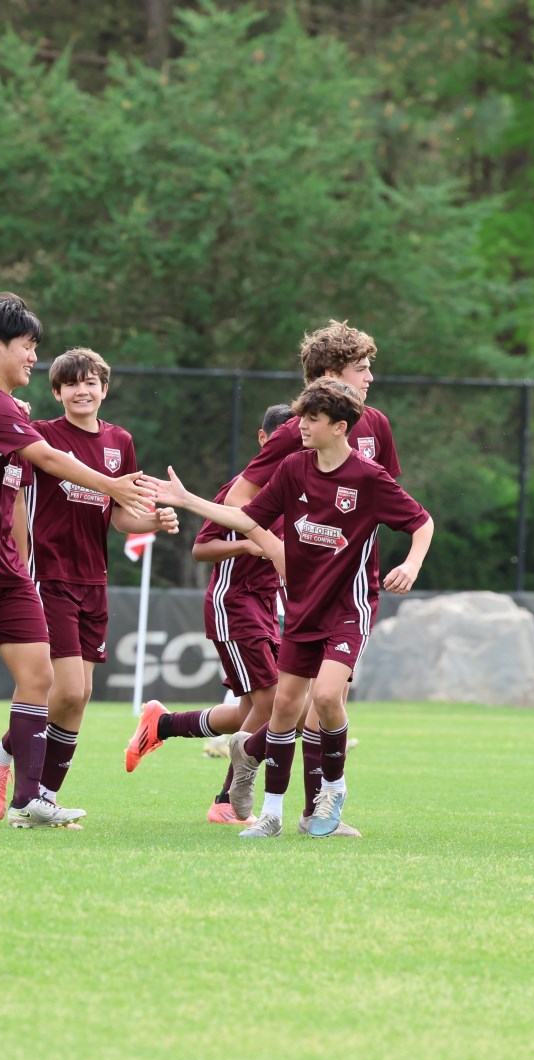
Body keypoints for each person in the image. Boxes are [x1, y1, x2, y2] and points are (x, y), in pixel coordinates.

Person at [146, 378, 434, 839]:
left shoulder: (368, 477)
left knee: (324, 698)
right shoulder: (294, 468)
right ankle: (273, 814)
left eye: (311, 420)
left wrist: (412, 563)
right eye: (300, 417)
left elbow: (421, 522)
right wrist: (188, 500)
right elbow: (246, 517)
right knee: (282, 707)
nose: (300, 426)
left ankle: (333, 789)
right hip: (302, 608)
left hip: (349, 606)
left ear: (340, 427)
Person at [0, 294, 154, 830]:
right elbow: (48, 458)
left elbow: (20, 485)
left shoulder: (7, 407)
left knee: (42, 678)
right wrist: (111, 484)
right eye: (27, 347)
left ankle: (28, 798)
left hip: (6, 568)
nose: (32, 358)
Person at [215, 321, 400, 826]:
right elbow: (239, 500)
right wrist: (278, 549)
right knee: (310, 704)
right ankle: (315, 812)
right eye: (361, 370)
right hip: (308, 591)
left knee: (323, 703)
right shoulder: (297, 430)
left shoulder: (376, 425)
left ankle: (283, 782)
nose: (369, 379)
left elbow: (383, 499)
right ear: (329, 374)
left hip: (354, 589)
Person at [21, 348, 178, 814]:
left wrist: (153, 522)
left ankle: (45, 799)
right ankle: (8, 757)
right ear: (57, 392)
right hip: (49, 575)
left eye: (91, 382)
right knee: (67, 689)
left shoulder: (120, 441)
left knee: (82, 694)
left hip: (95, 578)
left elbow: (120, 516)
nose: (82, 390)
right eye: (71, 384)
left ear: (104, 390)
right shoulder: (42, 436)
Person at [124, 402, 295, 826]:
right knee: (271, 699)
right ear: (263, 440)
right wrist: (246, 545)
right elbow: (202, 548)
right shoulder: (240, 488)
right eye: (281, 443)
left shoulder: (297, 488)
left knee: (246, 712)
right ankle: (226, 801)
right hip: (233, 602)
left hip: (264, 603)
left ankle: (161, 725)